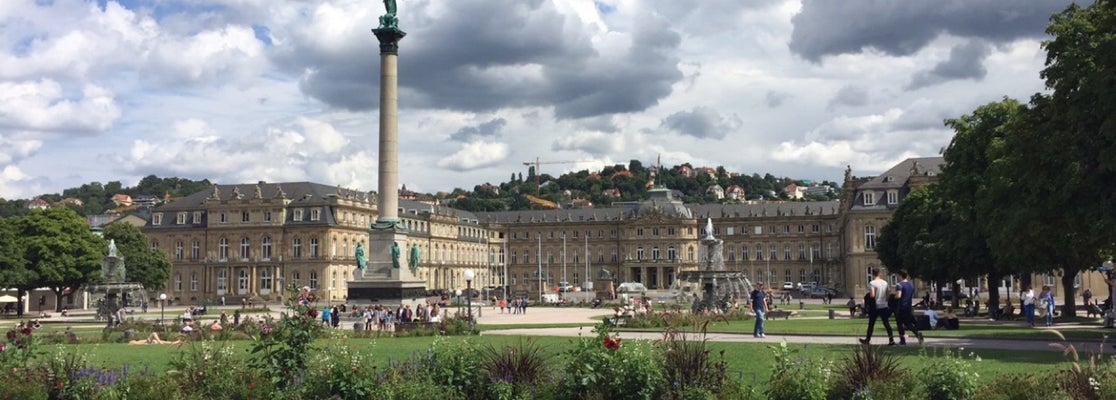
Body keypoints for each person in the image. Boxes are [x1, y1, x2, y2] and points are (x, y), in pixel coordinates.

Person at [859, 268, 896, 345]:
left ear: (873, 274)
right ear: (879, 274)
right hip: (884, 305)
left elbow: (872, 295)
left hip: (876, 306)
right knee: (886, 323)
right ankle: (891, 339)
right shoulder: (885, 283)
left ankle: (867, 339)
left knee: (871, 324)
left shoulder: (872, 283)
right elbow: (888, 294)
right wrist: (886, 300)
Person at [894, 271, 924, 345]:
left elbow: (898, 296)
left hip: (901, 306)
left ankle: (903, 340)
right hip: (908, 306)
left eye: (898, 275)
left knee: (900, 324)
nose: (897, 277)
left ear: (900, 275)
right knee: (907, 323)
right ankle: (917, 334)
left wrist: (894, 296)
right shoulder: (911, 285)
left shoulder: (899, 285)